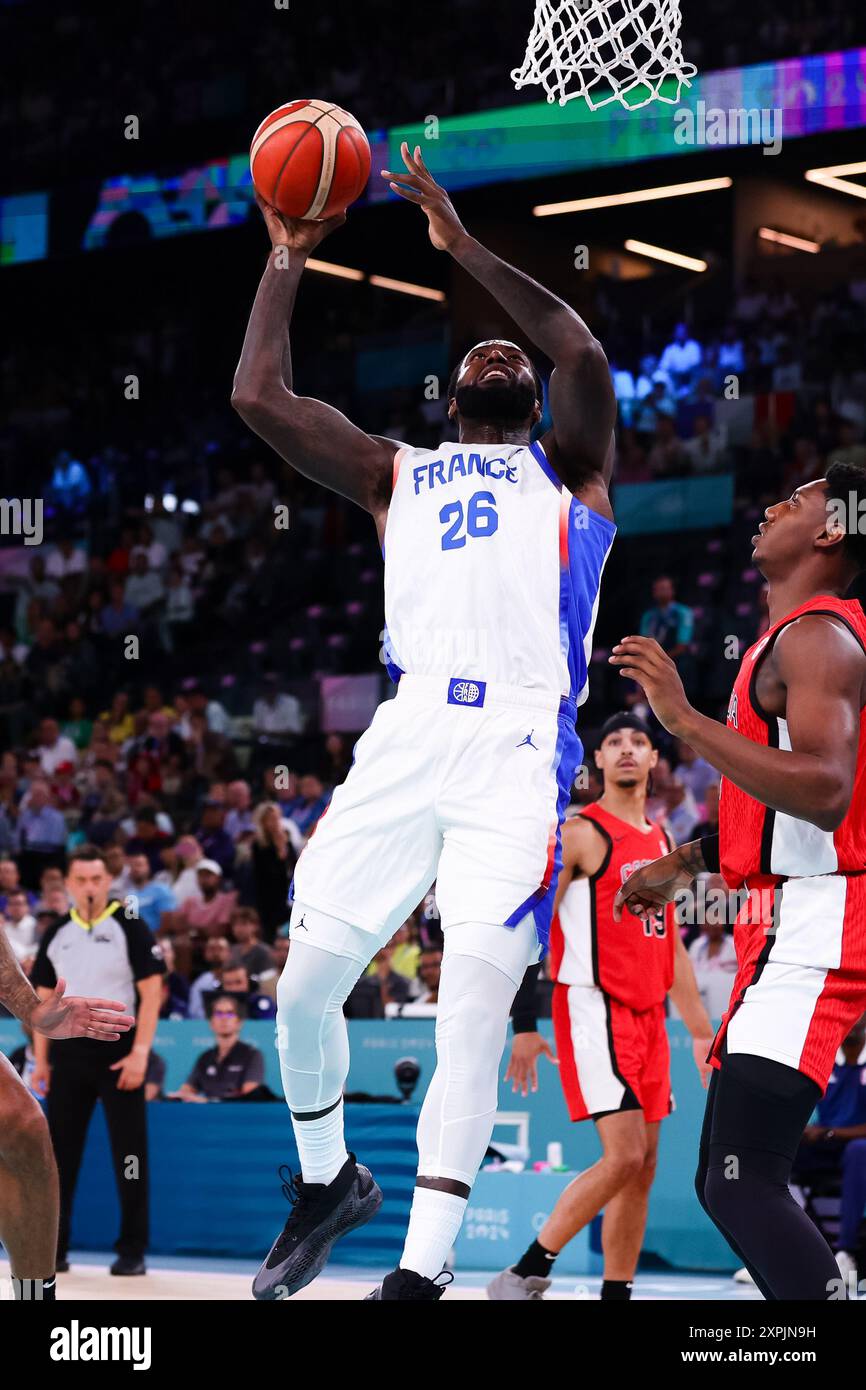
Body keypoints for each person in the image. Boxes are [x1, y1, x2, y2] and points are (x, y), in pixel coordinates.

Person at [232, 141, 616, 1301]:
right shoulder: (395, 470)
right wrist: (289, 257)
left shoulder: (574, 472)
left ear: (530, 399)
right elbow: (257, 395)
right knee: (303, 987)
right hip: (403, 740)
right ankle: (325, 1181)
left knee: (469, 1005)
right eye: (476, 355)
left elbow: (579, 344)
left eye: (511, 356)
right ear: (453, 401)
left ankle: (418, 1271)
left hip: (513, 746)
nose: (499, 354)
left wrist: (464, 250)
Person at [611, 461, 866, 1300]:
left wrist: (681, 720)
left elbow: (825, 794)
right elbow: (784, 814)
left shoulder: (820, 636)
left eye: (793, 501)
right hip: (787, 921)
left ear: (833, 531)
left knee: (739, 1180)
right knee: (723, 1180)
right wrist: (683, 866)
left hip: (819, 927)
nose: (769, 506)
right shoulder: (796, 638)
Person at [488, 714, 712, 1300]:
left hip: (648, 1016)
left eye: (639, 741)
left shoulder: (662, 841)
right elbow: (534, 928)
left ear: (655, 760)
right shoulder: (582, 832)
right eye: (614, 743)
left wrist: (699, 1030)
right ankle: (525, 1269)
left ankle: (617, 1292)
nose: (628, 750)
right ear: (600, 761)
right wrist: (526, 1025)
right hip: (592, 1005)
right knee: (624, 1155)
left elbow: (672, 946)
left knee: (644, 1164)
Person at [0, 850, 135, 1301]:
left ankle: (37, 1295)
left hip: (109, 1055)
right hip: (73, 1065)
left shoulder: (128, 923)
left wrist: (32, 1011)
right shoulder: (60, 929)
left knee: (24, 1123)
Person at [791, 1017, 866, 1283]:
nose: (855, 1022)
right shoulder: (827, 1058)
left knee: (858, 1152)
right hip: (829, 1142)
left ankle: (846, 1254)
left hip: (858, 1146)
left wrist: (830, 1132)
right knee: (782, 1150)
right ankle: (777, 1251)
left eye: (861, 1015)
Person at [169, 993, 265, 1102]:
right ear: (211, 1023)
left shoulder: (252, 1055)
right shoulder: (205, 1058)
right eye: (219, 1014)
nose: (224, 1018)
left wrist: (208, 1101)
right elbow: (187, 1090)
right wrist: (179, 1095)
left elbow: (248, 1095)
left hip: (237, 1115)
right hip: (208, 1115)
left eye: (230, 1014)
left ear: (239, 1022)